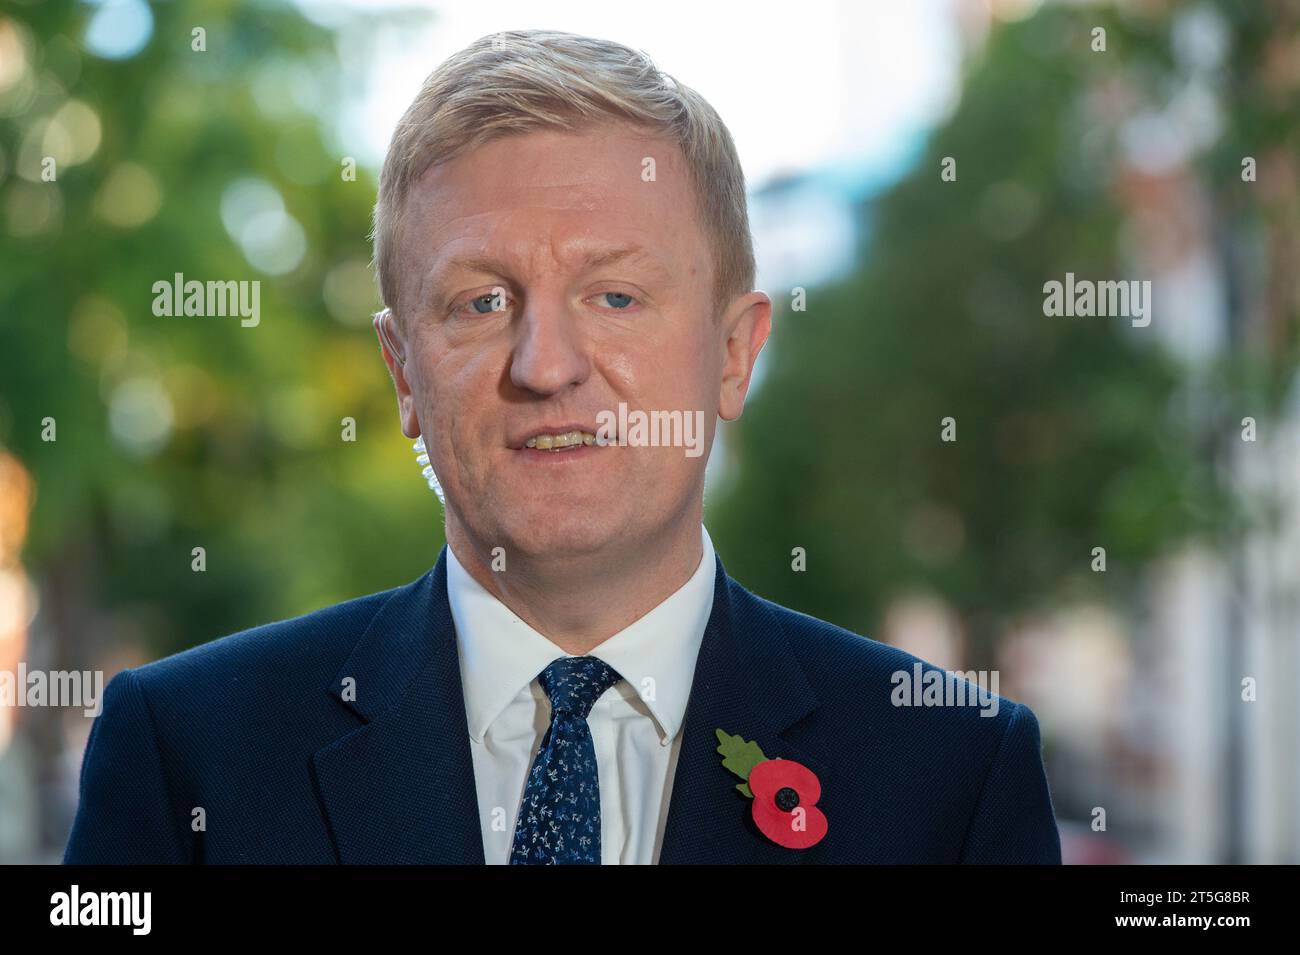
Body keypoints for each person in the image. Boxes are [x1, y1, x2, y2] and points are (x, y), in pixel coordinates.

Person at [64, 29, 1061, 864]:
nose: (545, 365)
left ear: (732, 354)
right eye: (481, 302)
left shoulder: (950, 773)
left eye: (615, 295)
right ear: (404, 372)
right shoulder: (189, 753)